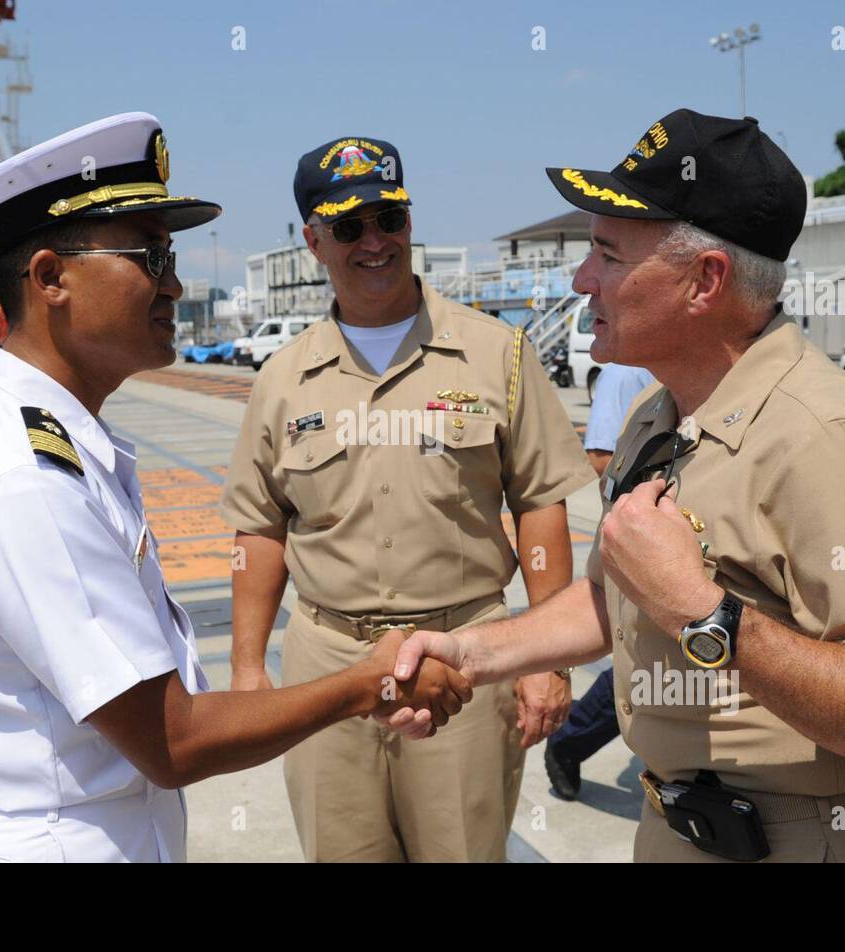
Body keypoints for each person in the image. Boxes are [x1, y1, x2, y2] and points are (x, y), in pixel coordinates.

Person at [390, 109, 845, 863]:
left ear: (705, 281)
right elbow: (616, 593)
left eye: (608, 254)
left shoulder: (830, 438)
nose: (581, 279)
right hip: (679, 825)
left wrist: (709, 617)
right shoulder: (657, 412)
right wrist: (468, 654)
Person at [0, 113, 469, 863]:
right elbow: (172, 740)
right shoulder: (25, 480)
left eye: (170, 255)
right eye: (149, 257)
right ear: (50, 279)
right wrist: (369, 684)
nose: (174, 283)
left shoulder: (50, 437)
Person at [221, 135, 597, 862]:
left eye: (388, 217)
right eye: (349, 227)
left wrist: (547, 661)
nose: (375, 241)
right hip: (327, 666)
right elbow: (260, 528)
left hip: (466, 658)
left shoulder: (499, 355)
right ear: (313, 241)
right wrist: (245, 670)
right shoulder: (283, 377)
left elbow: (540, 504)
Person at [544, 363, 656, 799]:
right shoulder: (626, 371)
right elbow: (602, 457)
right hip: (656, 544)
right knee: (648, 660)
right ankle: (570, 740)